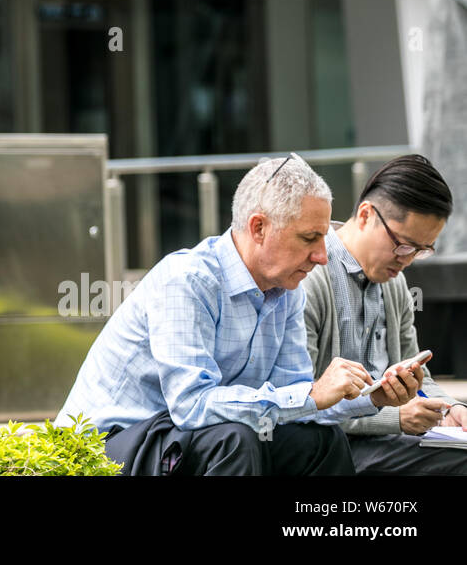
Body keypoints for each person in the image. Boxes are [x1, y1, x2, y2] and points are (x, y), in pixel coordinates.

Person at [55, 153, 420, 475]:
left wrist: (371, 397)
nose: (322, 256)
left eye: (324, 239)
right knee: (235, 439)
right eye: (309, 238)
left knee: (319, 440)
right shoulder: (187, 280)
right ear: (258, 227)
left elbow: (295, 399)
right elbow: (192, 406)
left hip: (182, 437)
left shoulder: (286, 291)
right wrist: (311, 393)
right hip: (107, 446)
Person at [302, 154, 467, 474]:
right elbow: (299, 400)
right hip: (329, 444)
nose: (408, 260)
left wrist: (451, 409)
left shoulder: (394, 283)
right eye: (404, 246)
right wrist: (396, 418)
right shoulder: (309, 277)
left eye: (422, 250)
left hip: (388, 441)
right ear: (365, 215)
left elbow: (418, 374)